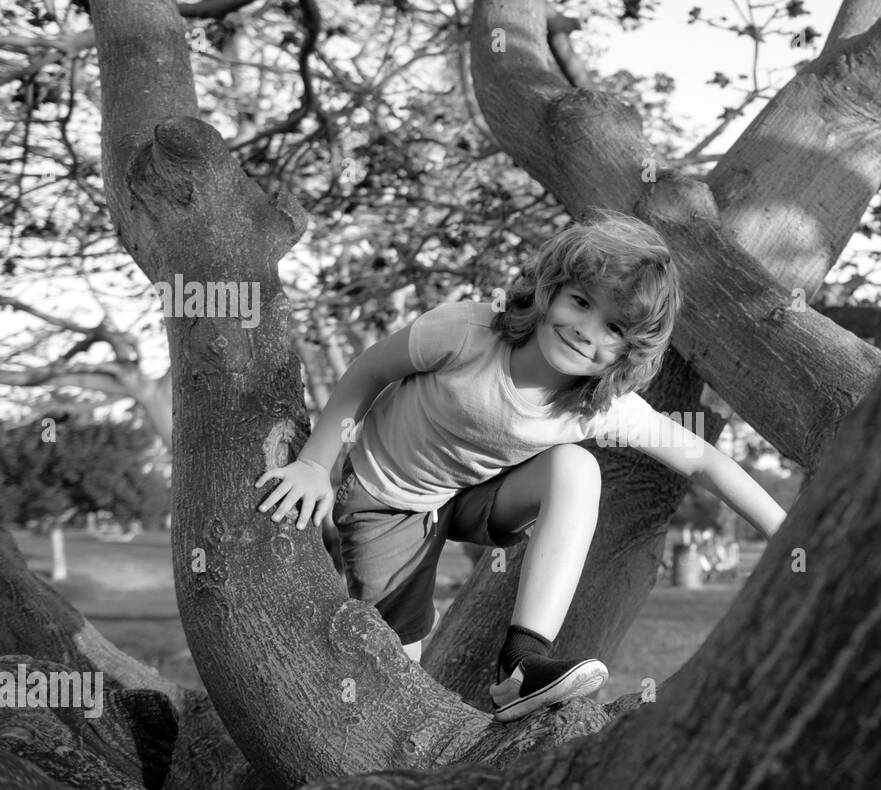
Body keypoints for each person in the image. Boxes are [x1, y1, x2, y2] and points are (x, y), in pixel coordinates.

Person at [254, 209, 787, 722]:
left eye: (614, 328)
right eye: (581, 302)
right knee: (397, 666)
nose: (587, 331)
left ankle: (522, 662)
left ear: (632, 348)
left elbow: (703, 460)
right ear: (550, 290)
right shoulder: (465, 333)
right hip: (388, 498)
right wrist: (316, 464)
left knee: (576, 467)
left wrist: (790, 534)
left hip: (472, 495)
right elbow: (369, 371)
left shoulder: (598, 405)